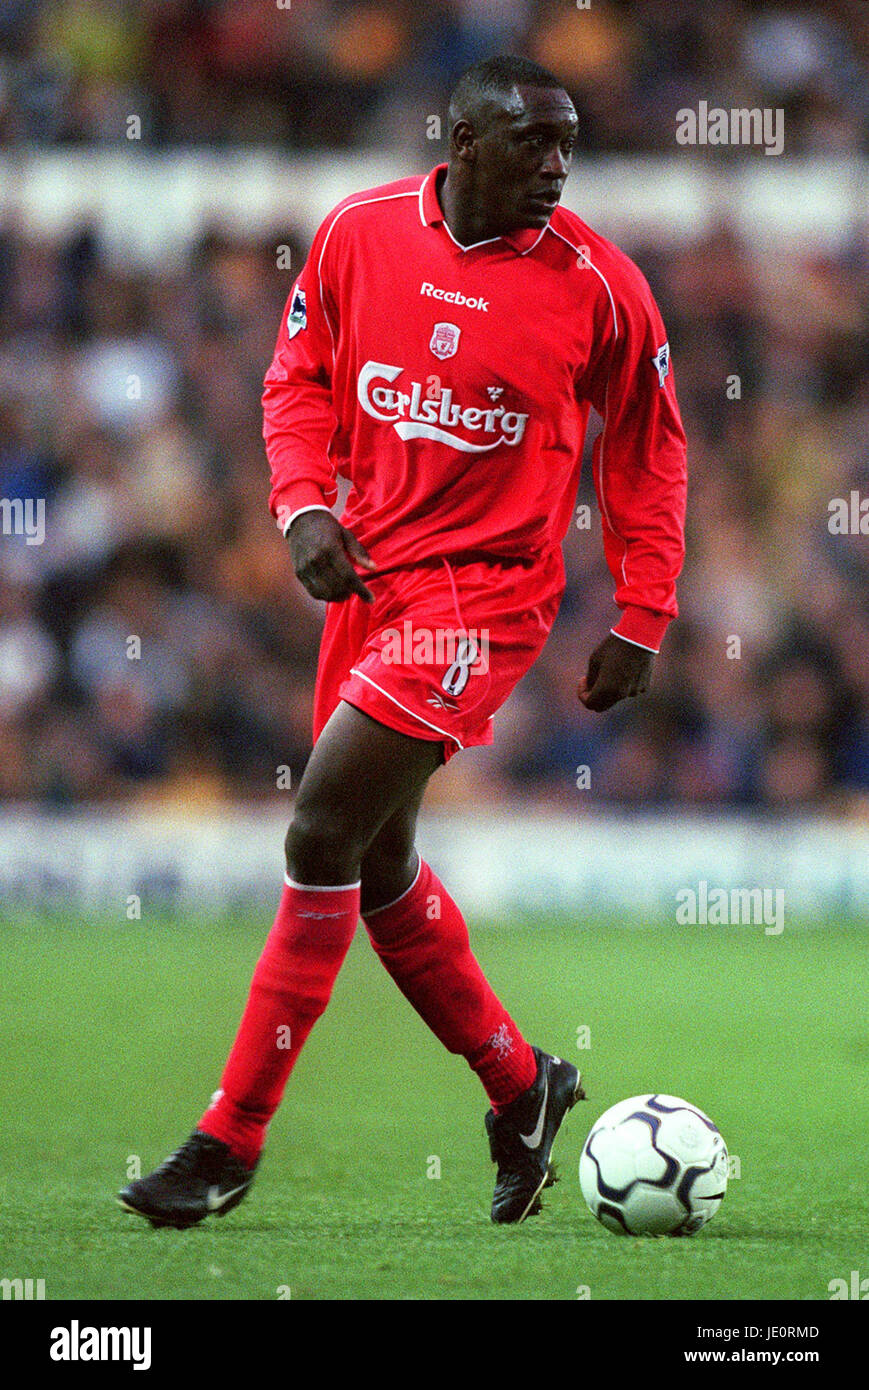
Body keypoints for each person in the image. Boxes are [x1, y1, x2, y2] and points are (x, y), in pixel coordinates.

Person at [118, 54, 686, 1230]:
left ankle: (228, 1138)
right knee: (377, 867)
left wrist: (642, 608)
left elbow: (650, 446)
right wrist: (302, 503)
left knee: (319, 826)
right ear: (462, 142)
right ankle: (523, 1086)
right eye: (531, 142)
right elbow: (298, 380)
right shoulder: (356, 235)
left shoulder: (600, 286)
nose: (555, 165)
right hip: (367, 584)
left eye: (566, 143)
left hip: (485, 599)